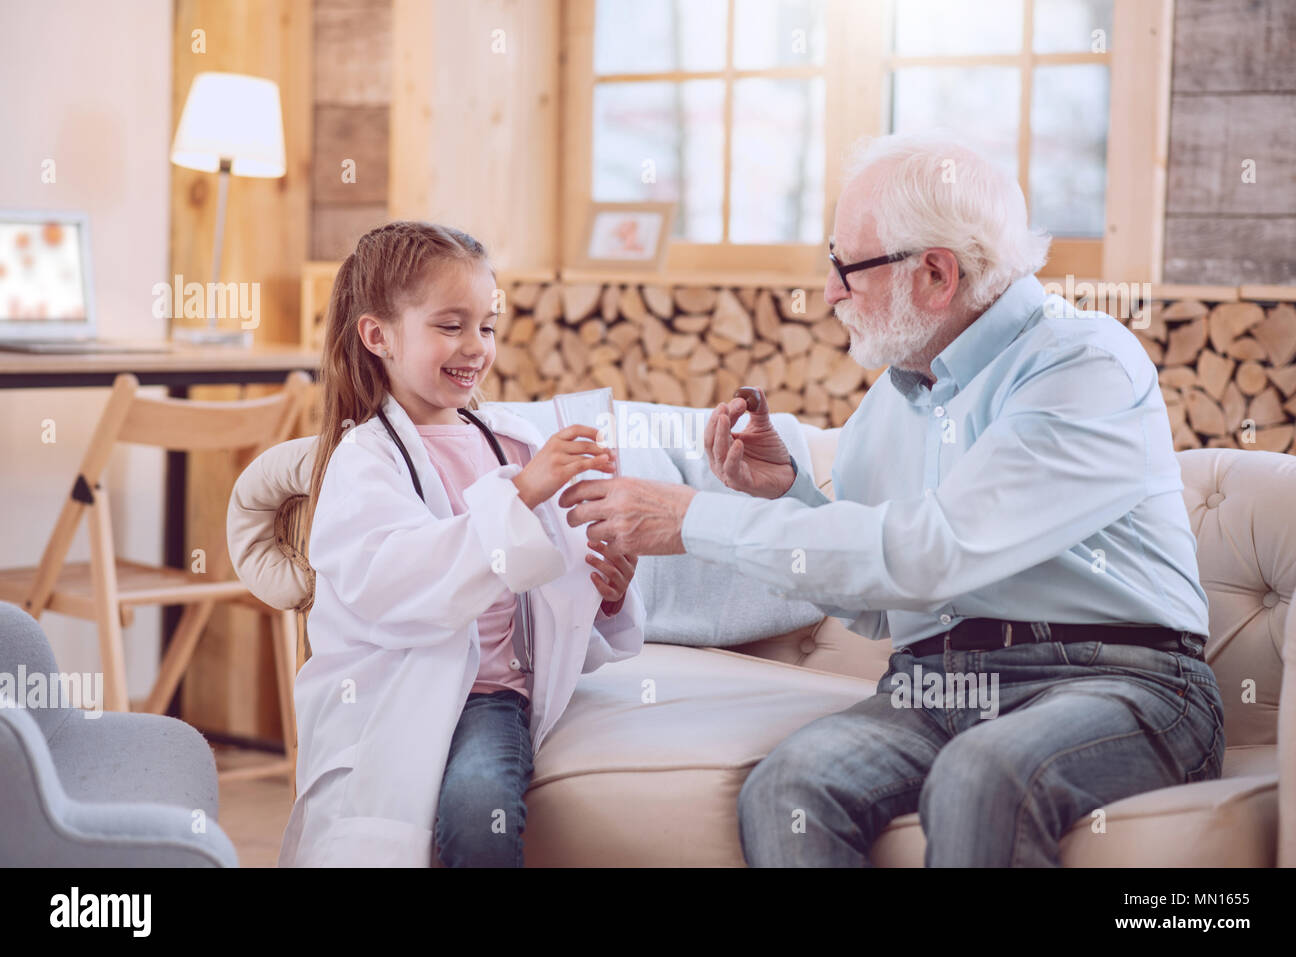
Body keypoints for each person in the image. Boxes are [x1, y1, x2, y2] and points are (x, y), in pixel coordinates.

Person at [558, 131, 1225, 866]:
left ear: (936, 274)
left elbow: (928, 554)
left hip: (1117, 679)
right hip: (935, 685)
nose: (829, 293)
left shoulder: (1081, 362)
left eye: (846, 267)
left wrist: (691, 518)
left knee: (983, 776)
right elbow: (881, 604)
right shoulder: (893, 400)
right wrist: (789, 495)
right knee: (790, 787)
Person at [280, 221, 645, 867]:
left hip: (491, 694)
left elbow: (547, 597)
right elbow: (398, 582)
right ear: (378, 335)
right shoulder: (364, 460)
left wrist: (607, 595)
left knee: (480, 805)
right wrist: (522, 493)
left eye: (487, 325)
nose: (475, 346)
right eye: (450, 325)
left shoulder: (511, 440)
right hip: (393, 691)